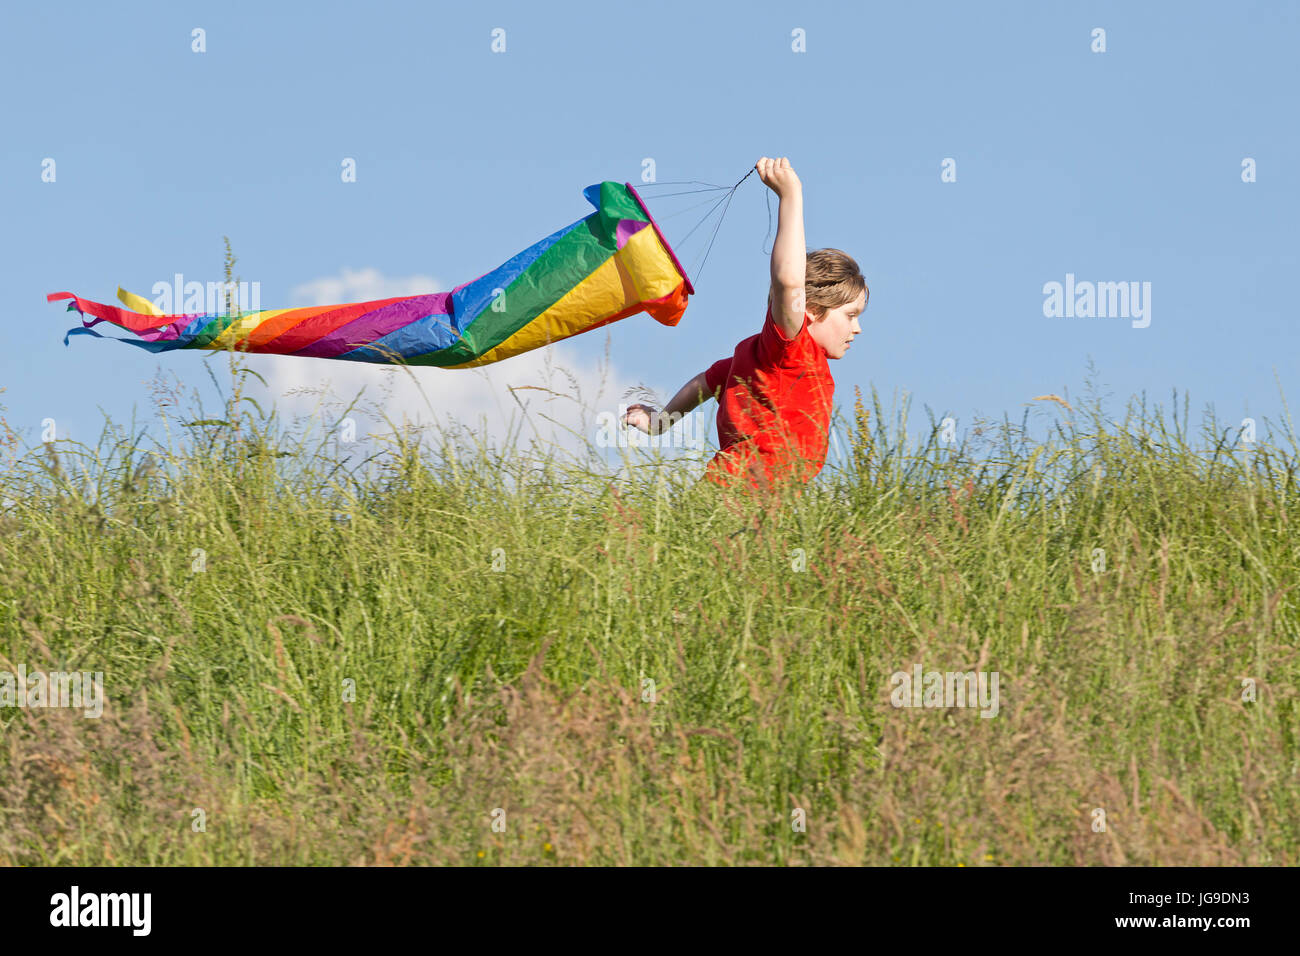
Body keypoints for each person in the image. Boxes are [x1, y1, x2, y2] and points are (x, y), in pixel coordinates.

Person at [622, 156, 868, 495]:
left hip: (752, 498)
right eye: (851, 315)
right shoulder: (788, 350)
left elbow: (707, 382)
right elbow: (788, 281)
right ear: (810, 309)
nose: (857, 329)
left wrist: (659, 422)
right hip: (740, 496)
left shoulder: (759, 360)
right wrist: (791, 196)